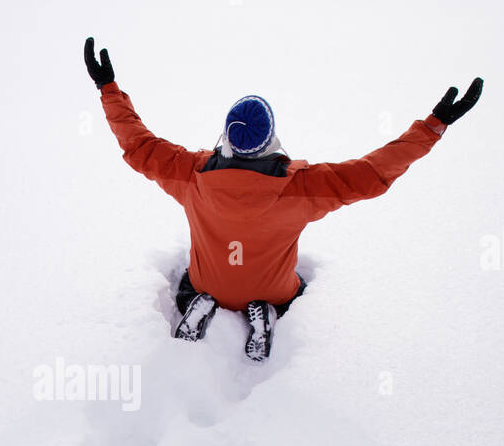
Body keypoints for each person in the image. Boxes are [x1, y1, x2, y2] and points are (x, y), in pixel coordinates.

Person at [84, 37, 483, 361]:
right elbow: (372, 173)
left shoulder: (191, 176)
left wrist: (108, 90)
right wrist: (433, 126)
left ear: (226, 136)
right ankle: (270, 312)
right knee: (295, 288)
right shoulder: (303, 189)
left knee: (194, 281)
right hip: (271, 289)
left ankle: (199, 302)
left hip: (211, 283)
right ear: (270, 139)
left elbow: (139, 147)